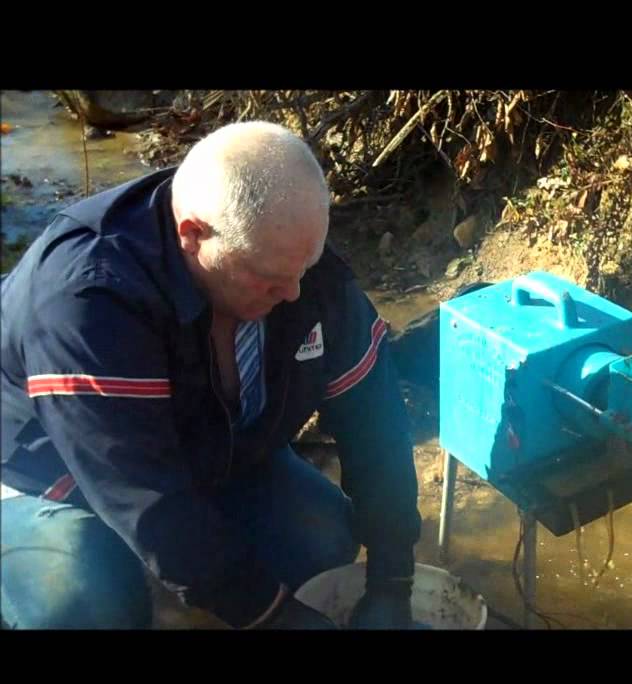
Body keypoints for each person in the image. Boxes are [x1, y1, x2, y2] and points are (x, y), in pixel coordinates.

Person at [0, 121, 422, 629]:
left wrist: (393, 581)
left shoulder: (295, 265)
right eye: (269, 278)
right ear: (193, 235)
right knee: (87, 607)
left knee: (324, 541)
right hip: (45, 472)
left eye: (304, 269)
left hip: (208, 450)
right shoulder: (89, 300)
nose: (292, 295)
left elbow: (377, 429)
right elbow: (144, 497)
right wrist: (272, 614)